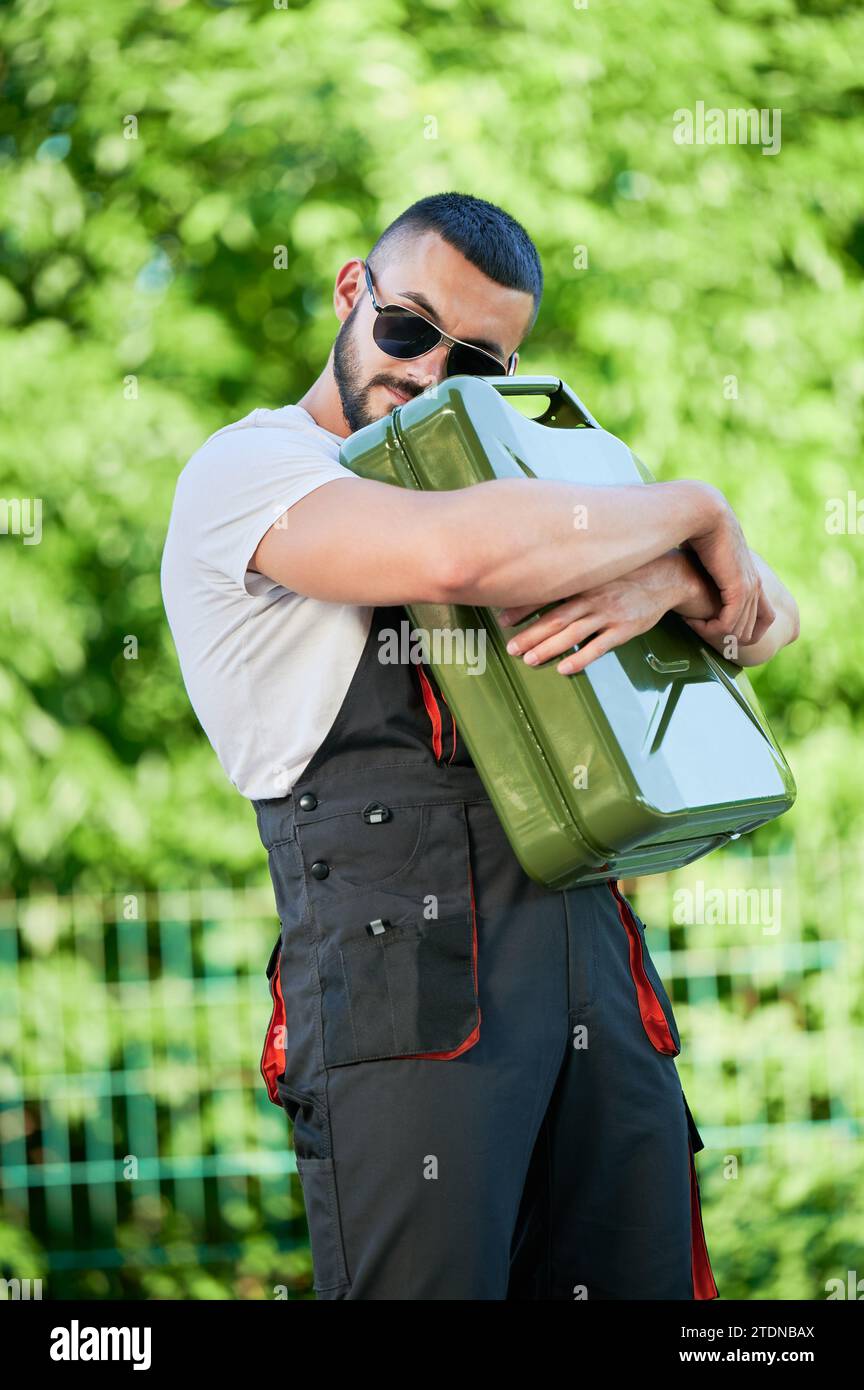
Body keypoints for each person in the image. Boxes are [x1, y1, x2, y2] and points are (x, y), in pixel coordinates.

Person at [160, 191, 799, 1300]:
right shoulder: (251, 469)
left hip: (592, 960)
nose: (426, 375)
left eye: (477, 363)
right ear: (352, 290)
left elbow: (771, 619)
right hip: (405, 984)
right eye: (409, 329)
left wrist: (666, 571)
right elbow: (455, 559)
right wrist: (693, 510)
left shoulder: (520, 487)